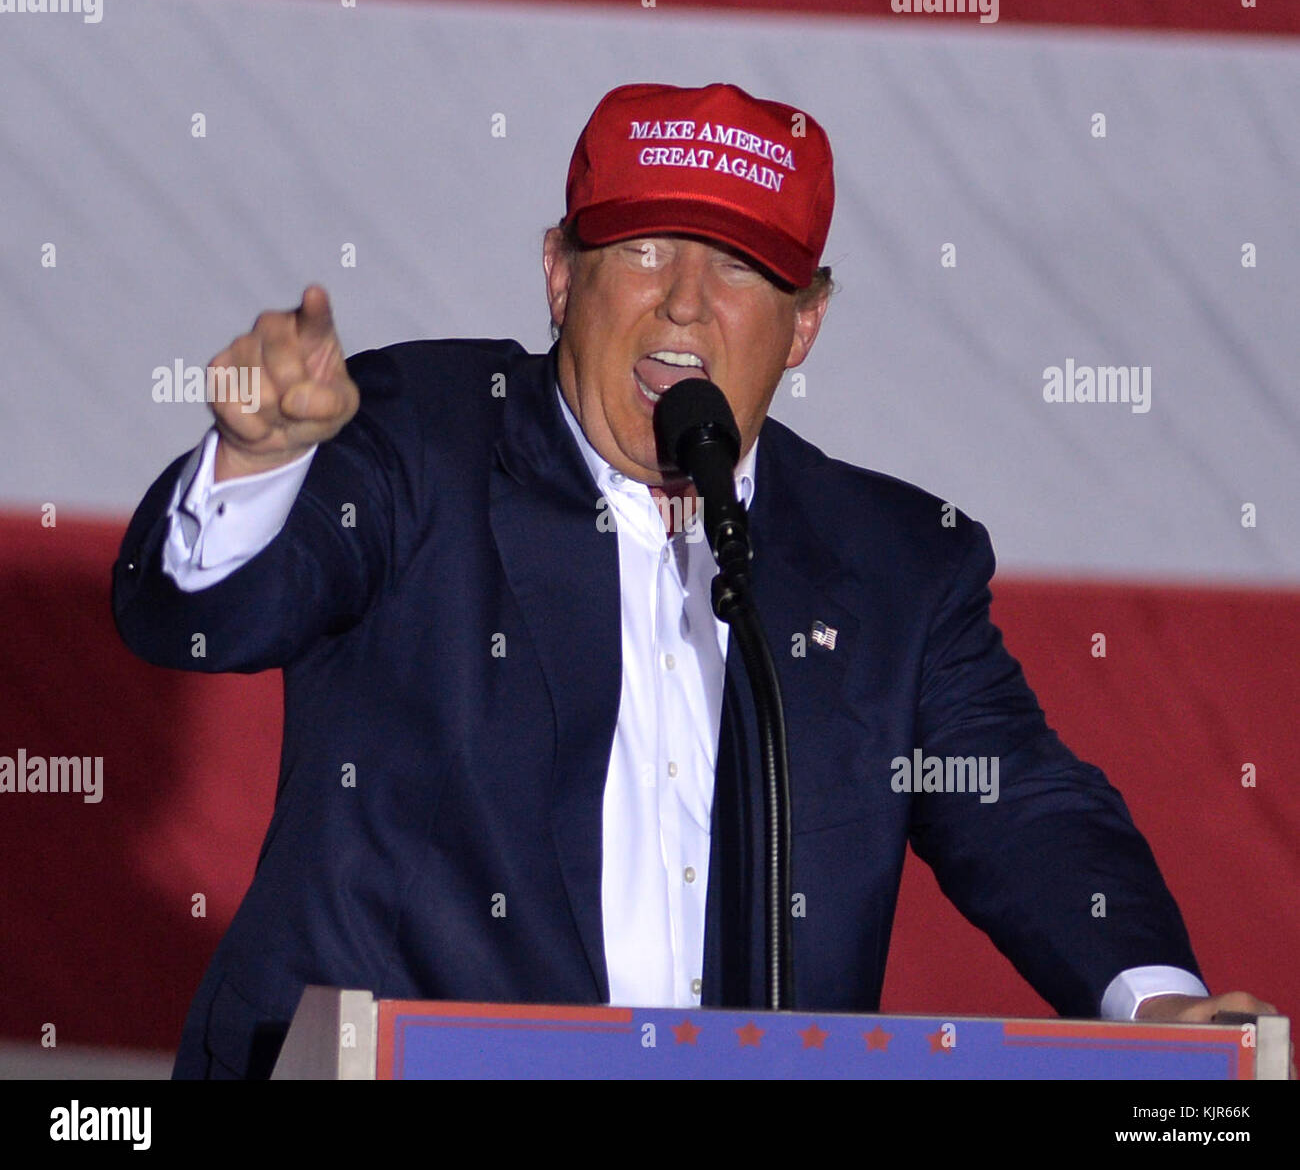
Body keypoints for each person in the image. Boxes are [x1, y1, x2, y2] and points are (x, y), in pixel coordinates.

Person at [113, 82, 1277, 1080]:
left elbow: (1021, 804)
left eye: (738, 266)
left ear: (805, 322)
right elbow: (197, 614)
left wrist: (1154, 1001)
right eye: (644, 249)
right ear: (562, 276)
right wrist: (257, 462)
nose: (682, 301)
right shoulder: (420, 441)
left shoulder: (892, 562)